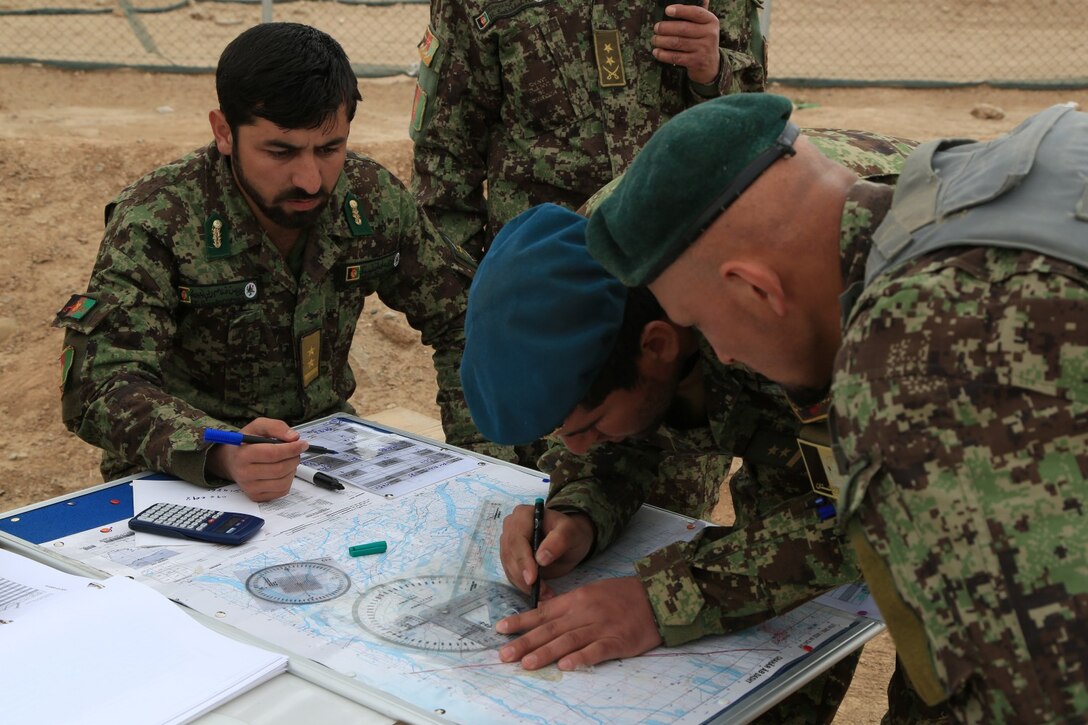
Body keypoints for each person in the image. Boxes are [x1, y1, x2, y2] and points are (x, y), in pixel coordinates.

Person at [584, 92, 1088, 721]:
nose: (728, 357)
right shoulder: (969, 183)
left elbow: (1038, 695)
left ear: (752, 289)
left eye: (706, 327)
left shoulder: (912, 354)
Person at [457, 127, 931, 723]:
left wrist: (662, 600)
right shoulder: (582, 269)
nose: (573, 447)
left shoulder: (829, 301)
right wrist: (579, 506)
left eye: (589, 425)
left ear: (660, 344)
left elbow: (883, 505)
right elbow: (619, 400)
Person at [55, 23, 513, 502]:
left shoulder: (370, 200)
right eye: (281, 151)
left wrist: (484, 456)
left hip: (325, 461)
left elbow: (464, 320)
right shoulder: (160, 219)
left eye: (330, 149)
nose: (310, 180)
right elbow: (99, 383)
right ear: (223, 132)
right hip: (179, 476)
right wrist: (221, 450)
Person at [409, 0, 767, 261]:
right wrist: (465, 319)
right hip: (546, 267)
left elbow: (755, 124)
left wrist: (713, 71)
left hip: (683, 255)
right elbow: (446, 157)